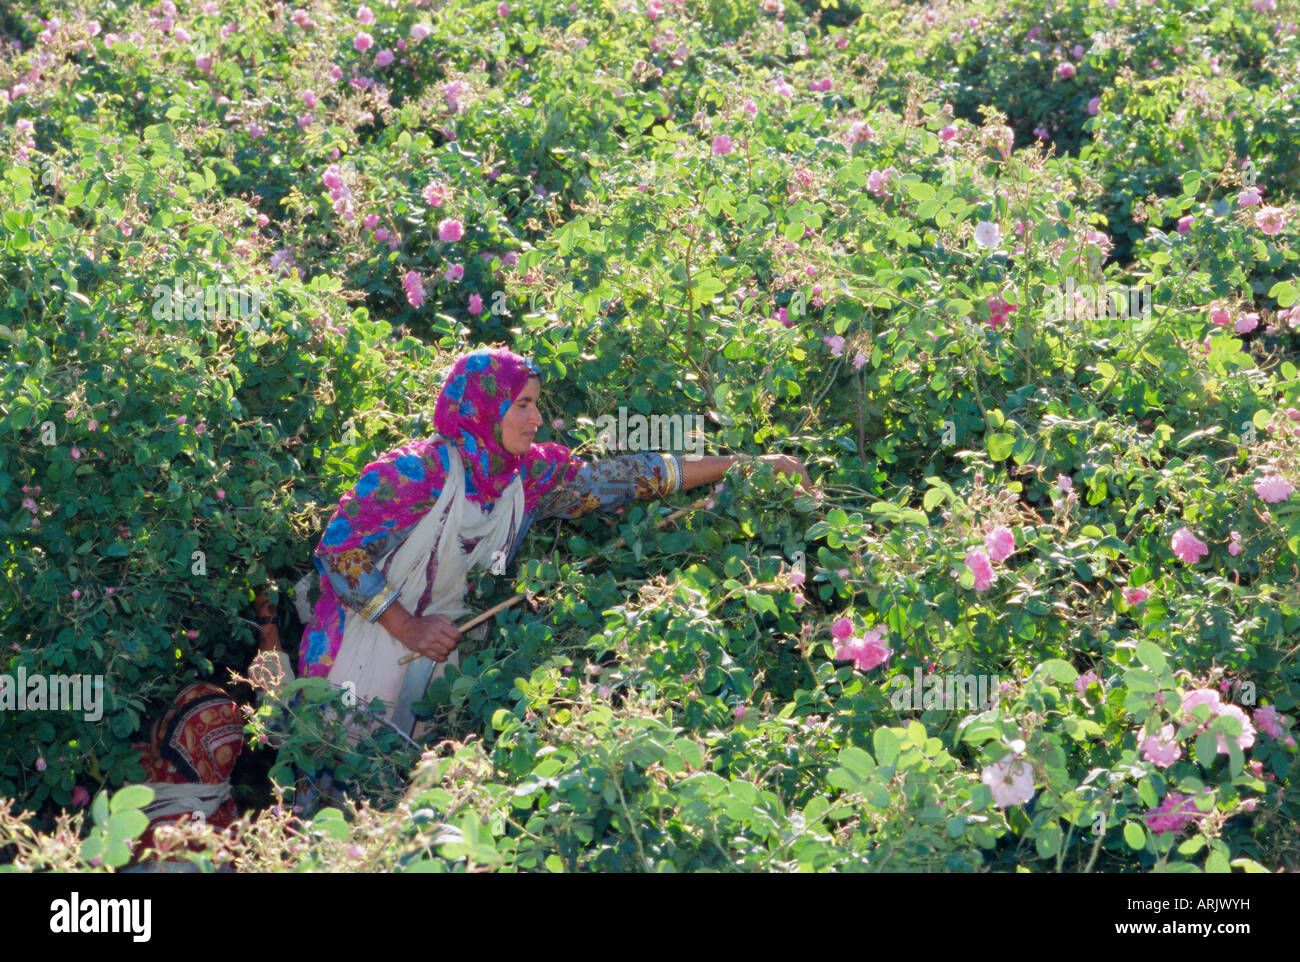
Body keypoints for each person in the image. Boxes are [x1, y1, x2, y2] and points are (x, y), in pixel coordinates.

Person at [278, 347, 812, 737]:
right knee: (337, 774)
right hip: (363, 643)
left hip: (440, 651)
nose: (536, 417)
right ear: (485, 408)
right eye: (522, 405)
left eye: (537, 404)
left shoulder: (526, 476)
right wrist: (407, 626)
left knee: (398, 793)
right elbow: (340, 554)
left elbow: (624, 478)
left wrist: (749, 467)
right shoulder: (414, 473)